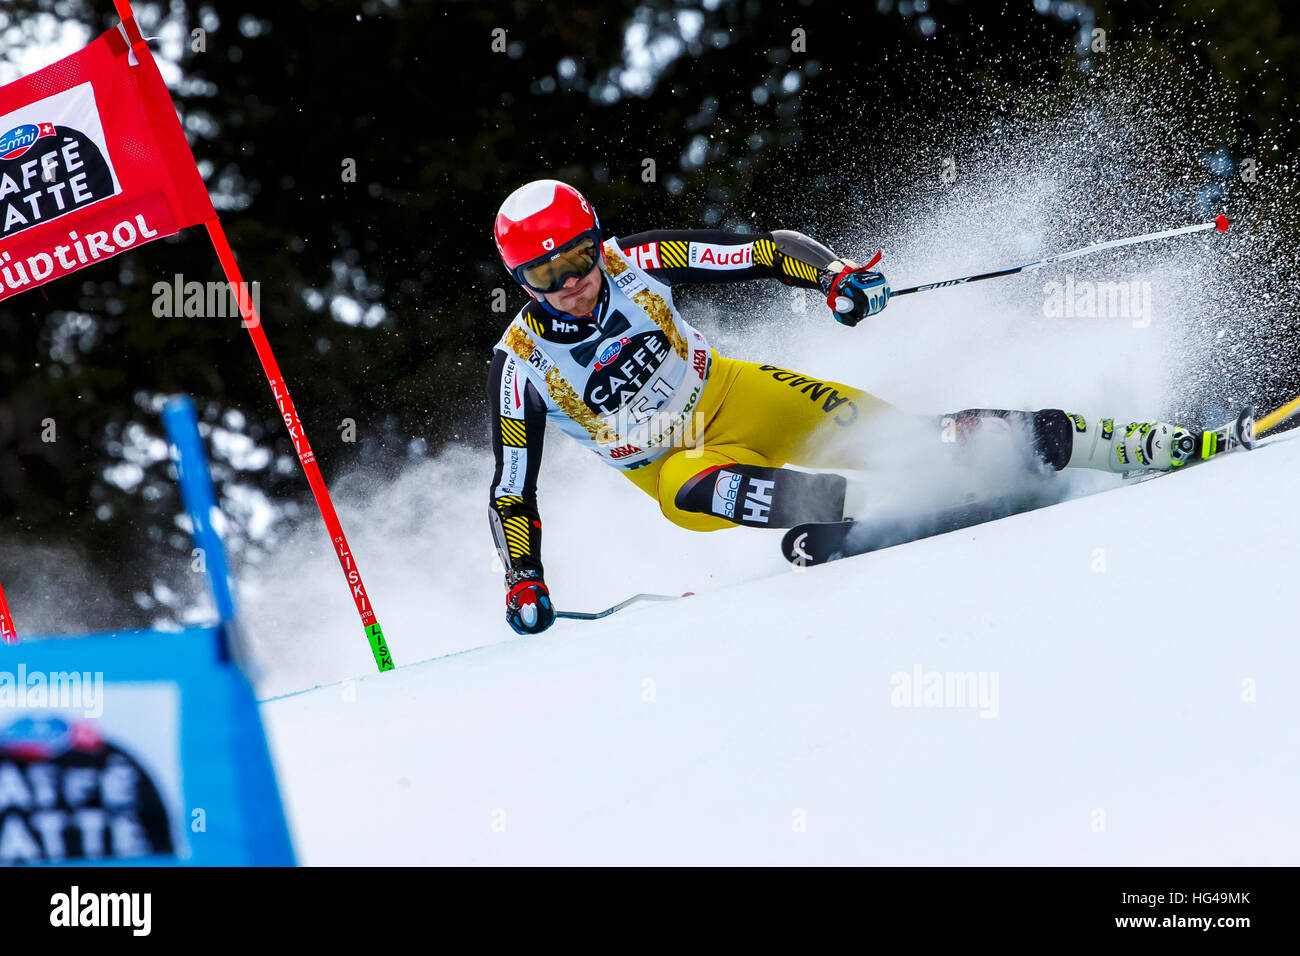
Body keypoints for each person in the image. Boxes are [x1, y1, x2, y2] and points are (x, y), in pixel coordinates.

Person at [488, 179, 1212, 634]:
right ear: (520, 279)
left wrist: (834, 277)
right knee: (705, 490)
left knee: (908, 437)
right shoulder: (520, 363)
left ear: (594, 241)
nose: (573, 281)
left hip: (739, 393)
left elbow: (763, 253)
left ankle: (1092, 440)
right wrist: (525, 577)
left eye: (578, 257)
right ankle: (867, 506)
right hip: (679, 459)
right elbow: (512, 490)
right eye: (546, 273)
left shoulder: (633, 260)